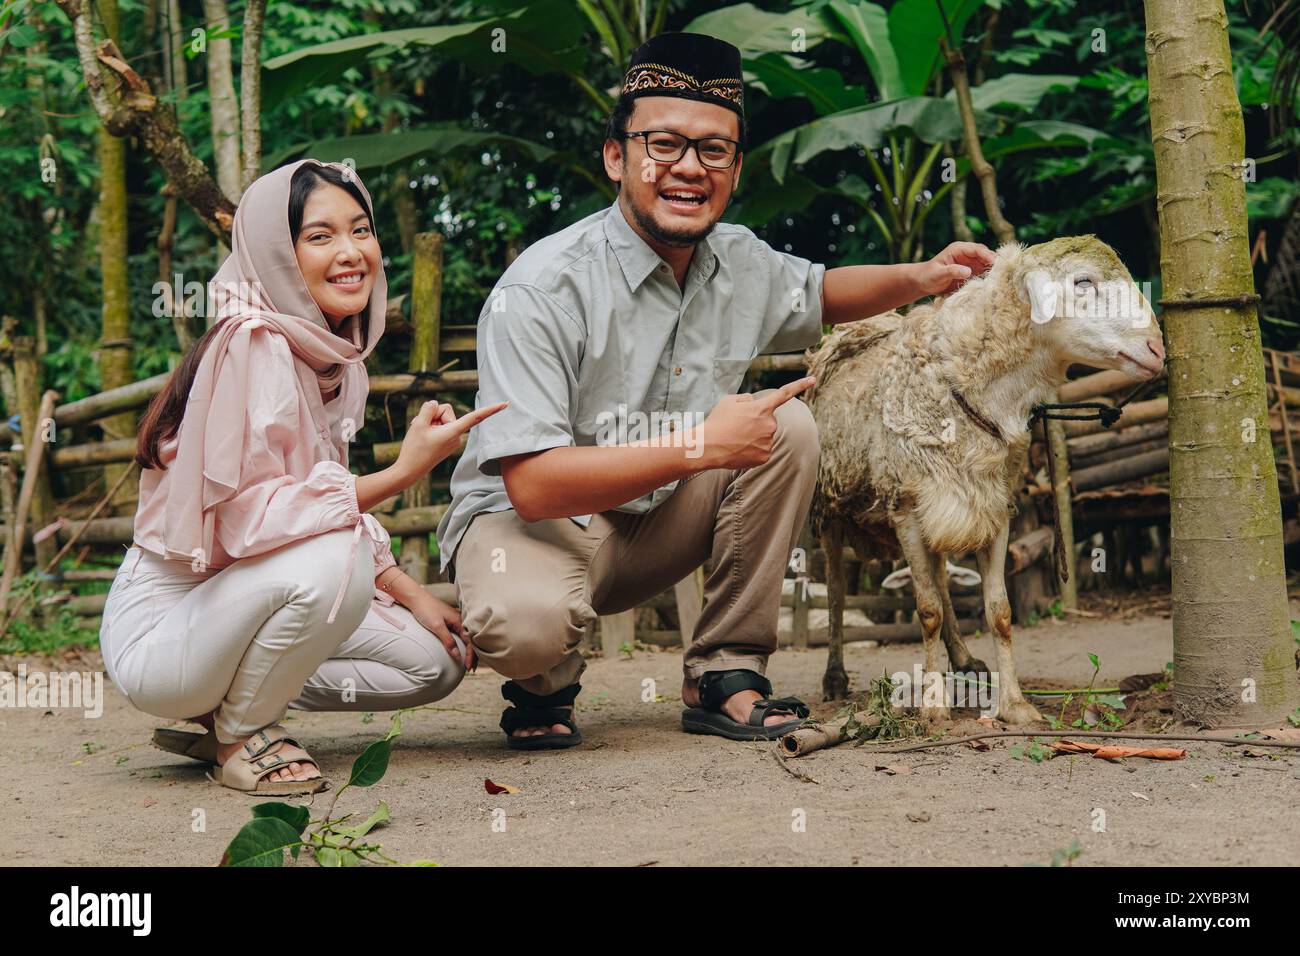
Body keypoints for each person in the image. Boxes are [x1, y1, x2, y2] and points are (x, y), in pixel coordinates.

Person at [437, 32, 997, 750]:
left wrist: (922, 275)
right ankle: (541, 681)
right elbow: (534, 486)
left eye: (714, 150)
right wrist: (701, 445)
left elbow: (823, 291)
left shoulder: (738, 259)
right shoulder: (542, 289)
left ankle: (723, 673)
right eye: (663, 144)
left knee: (786, 427)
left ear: (734, 167)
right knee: (525, 629)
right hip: (536, 528)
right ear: (616, 157)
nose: (688, 167)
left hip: (652, 521)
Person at [99, 160, 504, 794]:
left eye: (361, 230)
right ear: (276, 255)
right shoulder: (250, 343)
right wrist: (404, 471)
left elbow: (321, 502)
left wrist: (409, 591)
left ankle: (231, 710)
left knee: (435, 662)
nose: (351, 252)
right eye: (320, 236)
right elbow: (251, 521)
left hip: (247, 605)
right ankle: (240, 735)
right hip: (165, 635)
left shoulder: (334, 357)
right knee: (335, 557)